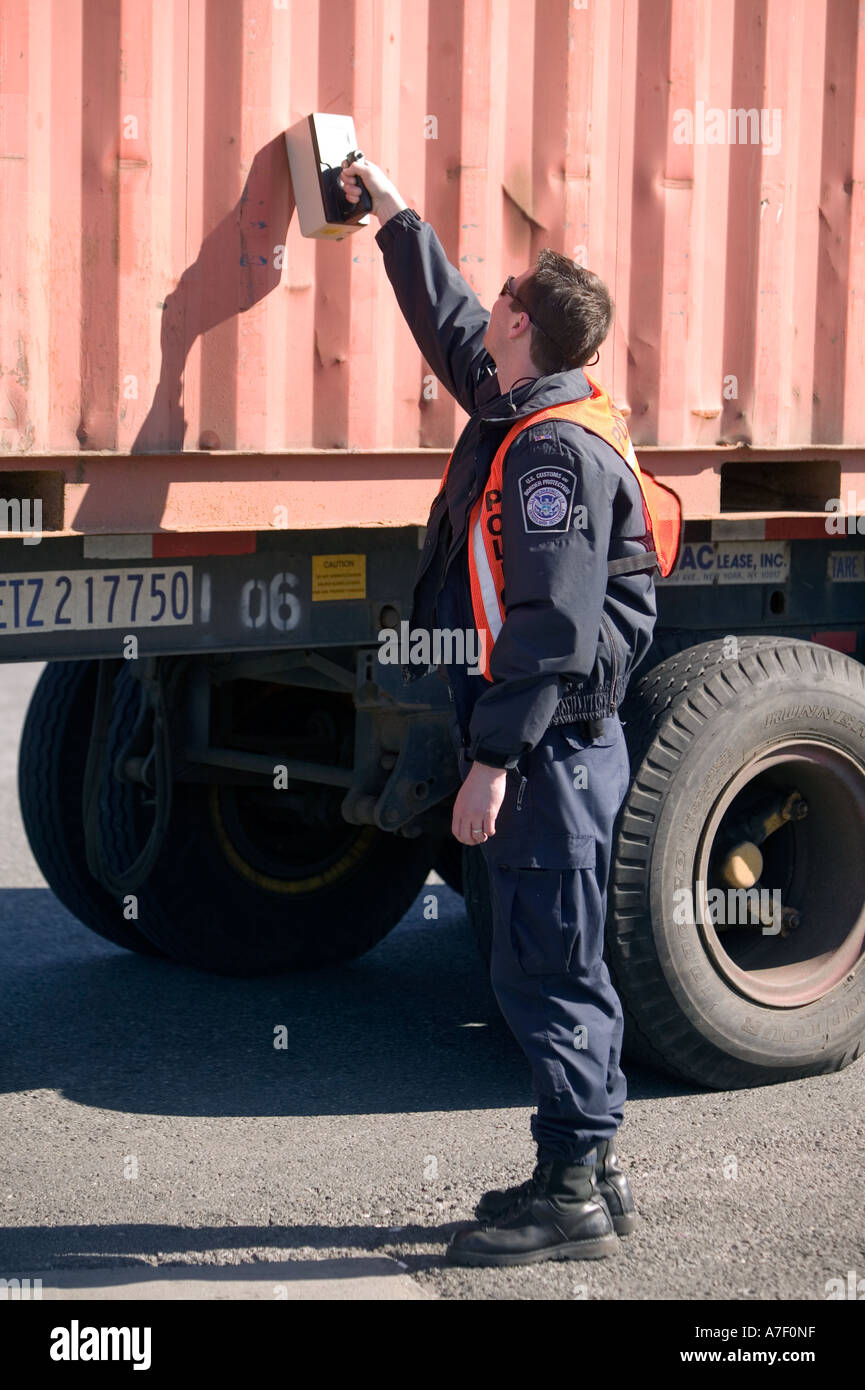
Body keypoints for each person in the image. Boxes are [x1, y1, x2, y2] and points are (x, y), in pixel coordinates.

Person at [340, 155, 658, 1267]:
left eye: (503, 302)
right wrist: (391, 218)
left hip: (550, 748)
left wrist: (491, 761)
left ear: (523, 323)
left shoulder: (552, 457)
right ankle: (590, 1173)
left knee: (544, 964)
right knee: (556, 954)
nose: (491, 313)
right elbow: (453, 325)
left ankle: (568, 1192)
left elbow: (550, 631)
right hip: (560, 746)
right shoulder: (536, 400)